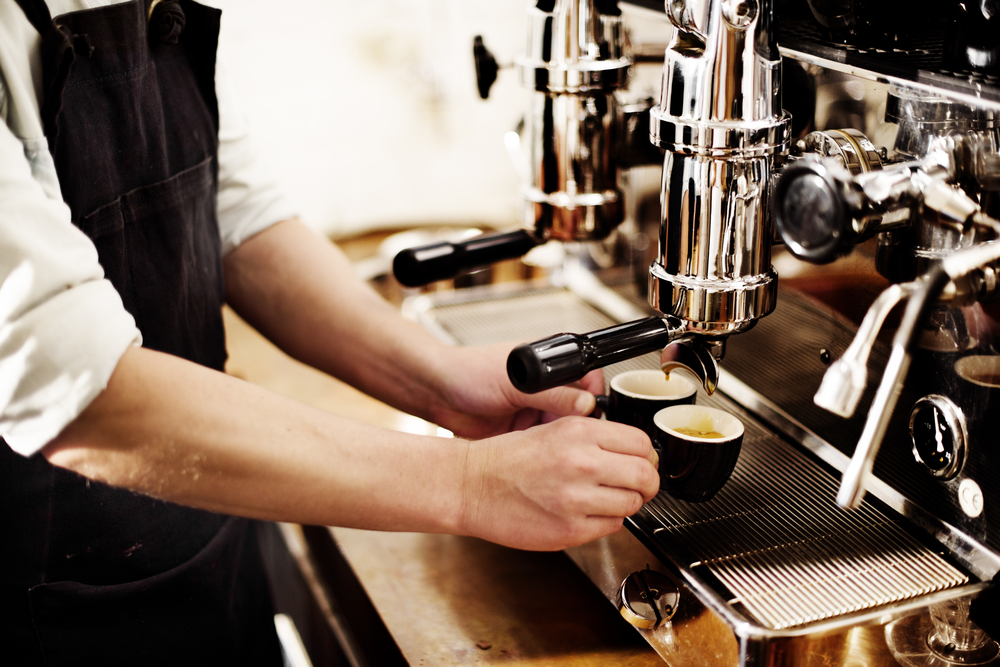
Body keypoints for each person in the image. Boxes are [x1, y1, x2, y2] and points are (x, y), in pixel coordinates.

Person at [0, 0, 660, 663]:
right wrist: (472, 485)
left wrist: (439, 379)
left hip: (208, 548)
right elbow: (72, 381)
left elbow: (236, 213)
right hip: (51, 609)